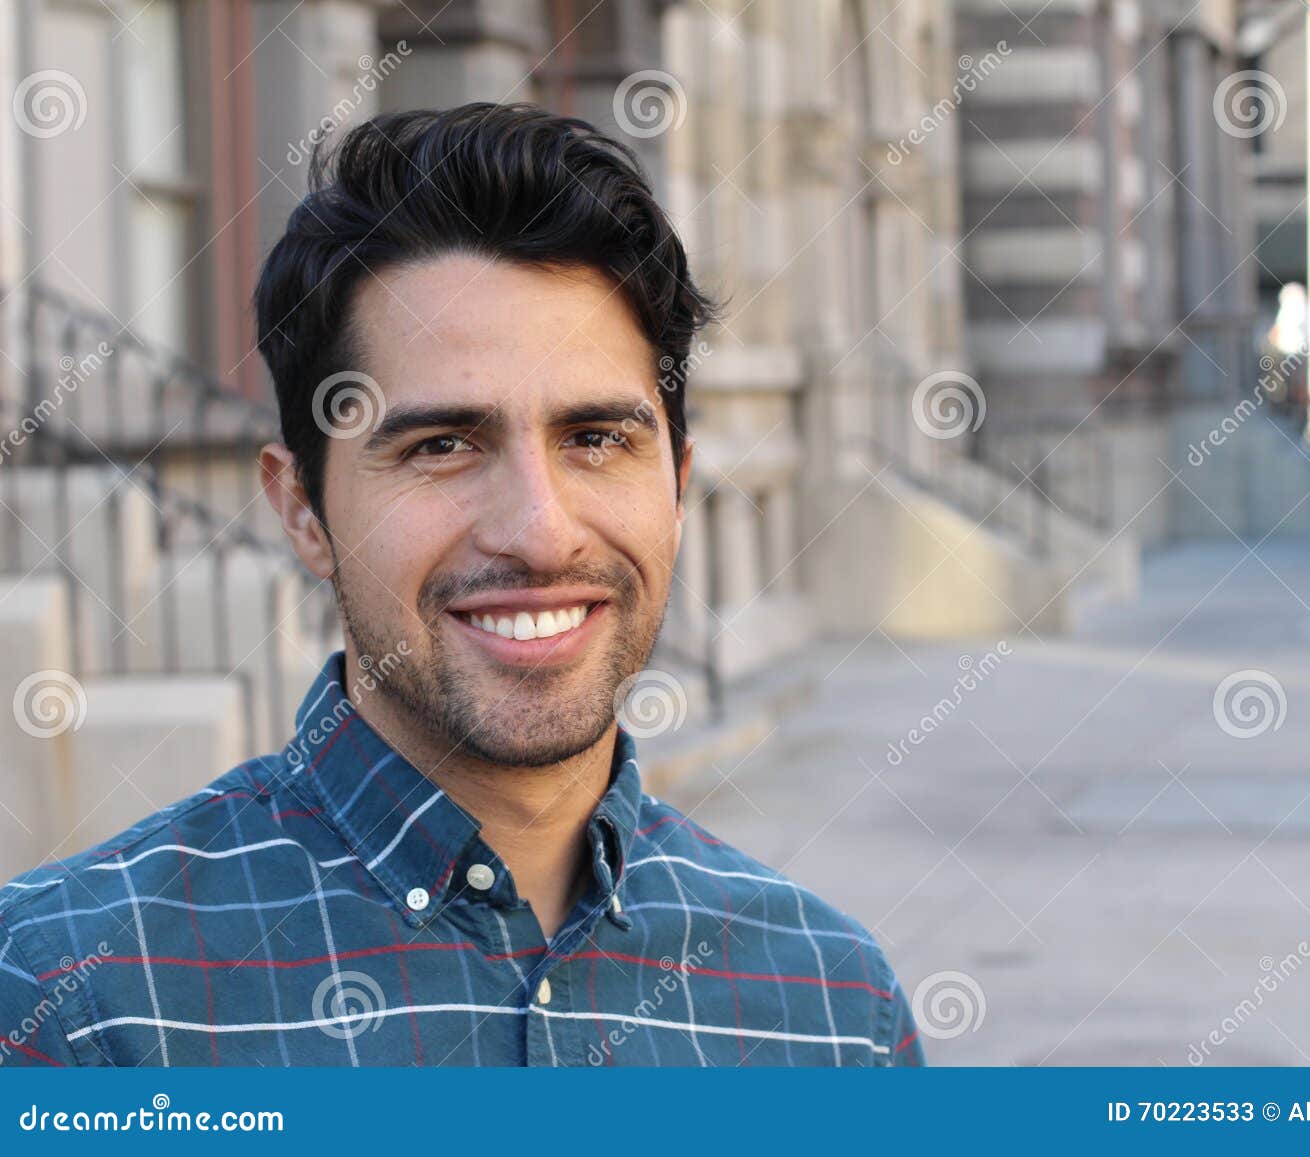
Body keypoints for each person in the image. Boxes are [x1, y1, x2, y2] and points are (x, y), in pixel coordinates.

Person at [0, 104, 923, 1068]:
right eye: (442, 445)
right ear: (302, 509)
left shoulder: (831, 1008)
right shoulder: (71, 1002)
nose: (539, 530)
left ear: (679, 487)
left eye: (597, 439)